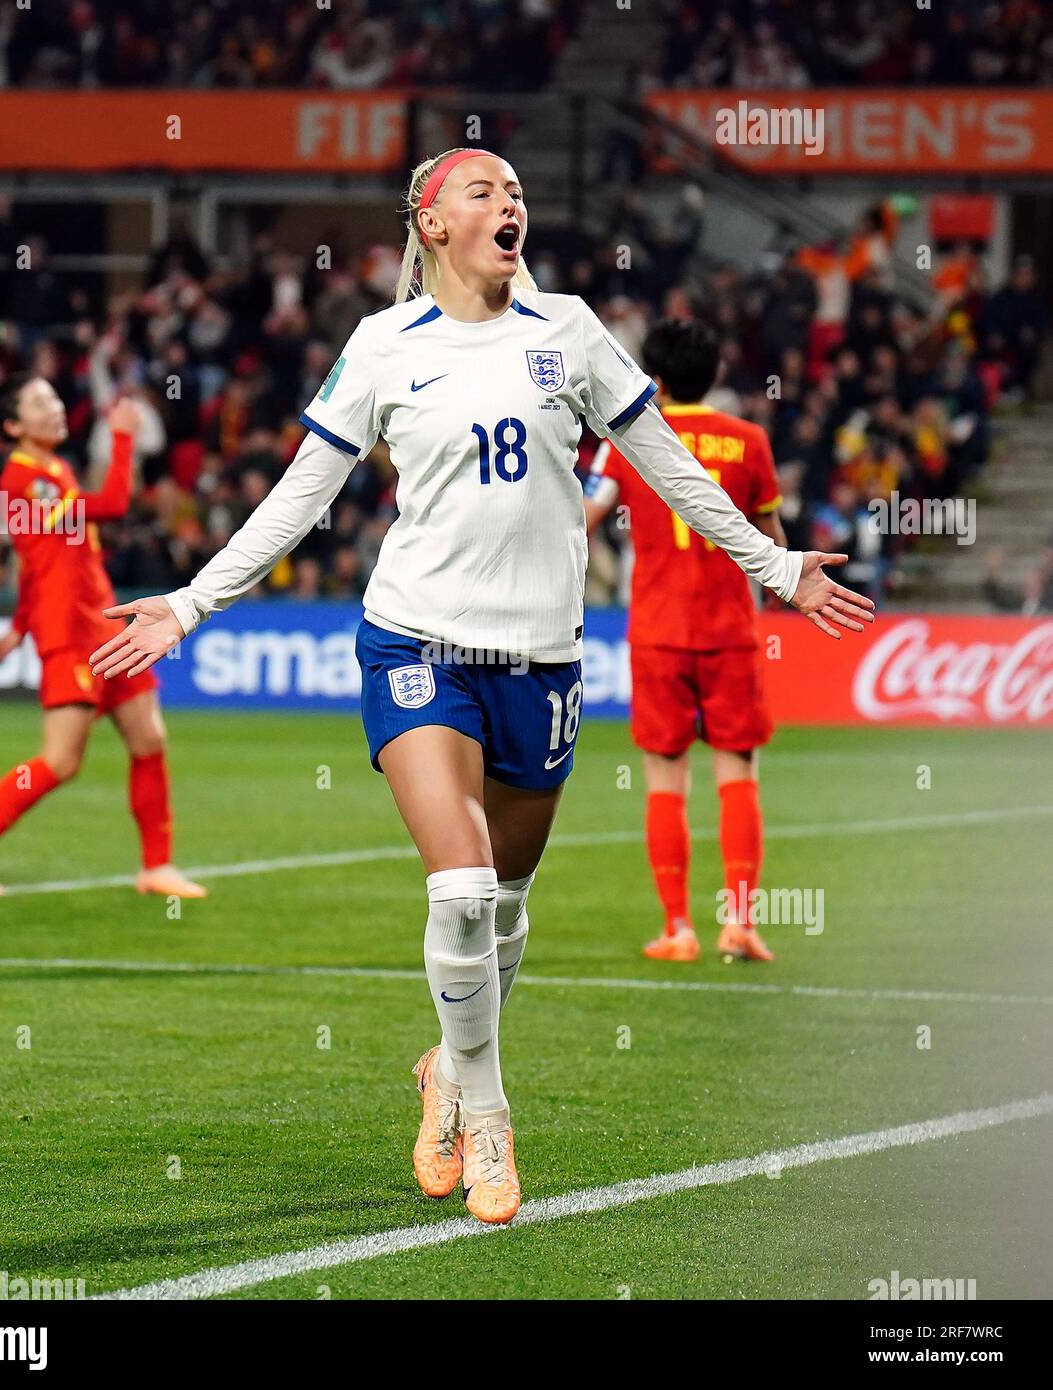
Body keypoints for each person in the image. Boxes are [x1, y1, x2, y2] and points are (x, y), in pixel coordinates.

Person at [88, 148, 874, 1225]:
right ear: (430, 222)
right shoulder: (380, 346)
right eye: (483, 190)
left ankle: (446, 1071)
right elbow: (300, 496)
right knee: (457, 889)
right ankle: (492, 1120)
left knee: (502, 911)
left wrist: (774, 566)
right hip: (414, 643)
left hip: (542, 662)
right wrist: (189, 602)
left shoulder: (570, 334)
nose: (509, 203)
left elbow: (666, 465)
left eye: (515, 189)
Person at [0, 376, 205, 902]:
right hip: (71, 633)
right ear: (13, 426)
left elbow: (34, 563)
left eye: (55, 398)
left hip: (101, 625)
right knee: (59, 762)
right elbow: (113, 504)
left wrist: (15, 627)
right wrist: (123, 438)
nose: (56, 408)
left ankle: (156, 867)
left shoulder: (53, 469)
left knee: (149, 740)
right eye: (40, 403)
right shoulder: (25, 478)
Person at [585, 320, 788, 962]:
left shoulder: (631, 438)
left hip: (658, 632)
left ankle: (678, 928)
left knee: (664, 780)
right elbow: (774, 546)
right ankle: (741, 921)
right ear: (717, 376)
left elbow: (584, 517)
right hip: (730, 631)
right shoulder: (749, 441)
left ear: (658, 379)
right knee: (739, 774)